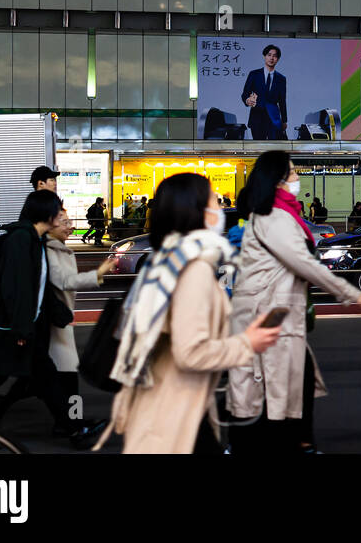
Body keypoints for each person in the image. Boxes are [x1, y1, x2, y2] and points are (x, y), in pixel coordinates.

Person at [95, 173, 281, 453]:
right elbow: (190, 352)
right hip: (176, 412)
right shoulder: (191, 270)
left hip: (167, 405)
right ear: (195, 212)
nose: (220, 209)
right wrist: (247, 343)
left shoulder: (167, 260)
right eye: (213, 202)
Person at [227, 152, 361, 454]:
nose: (298, 179)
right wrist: (351, 294)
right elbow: (305, 263)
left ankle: (295, 442)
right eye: (293, 173)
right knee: (274, 388)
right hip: (268, 314)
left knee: (293, 379)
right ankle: (269, 444)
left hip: (276, 311)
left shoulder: (283, 213)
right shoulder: (275, 217)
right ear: (279, 181)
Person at [0, 189, 73, 449]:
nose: (63, 219)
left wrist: (57, 312)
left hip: (21, 327)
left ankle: (72, 427)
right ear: (47, 214)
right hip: (8, 328)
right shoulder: (21, 240)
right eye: (59, 214)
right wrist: (22, 330)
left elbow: (37, 287)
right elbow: (18, 289)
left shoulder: (34, 240)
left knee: (46, 378)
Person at [35, 203, 114, 448]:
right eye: (65, 222)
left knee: (49, 379)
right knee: (66, 377)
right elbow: (64, 281)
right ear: (50, 223)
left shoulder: (58, 248)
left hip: (59, 320)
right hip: (54, 322)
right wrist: (97, 273)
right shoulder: (49, 249)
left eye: (70, 222)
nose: (70, 226)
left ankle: (71, 423)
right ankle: (75, 424)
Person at [240, 44, 288, 140]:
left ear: (278, 59)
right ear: (264, 56)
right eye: (269, 55)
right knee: (258, 147)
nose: (271, 58)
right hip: (256, 117)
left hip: (274, 119)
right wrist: (247, 100)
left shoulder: (281, 78)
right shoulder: (254, 74)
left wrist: (284, 120)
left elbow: (282, 100)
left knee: (273, 148)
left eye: (274, 56)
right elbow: (245, 93)